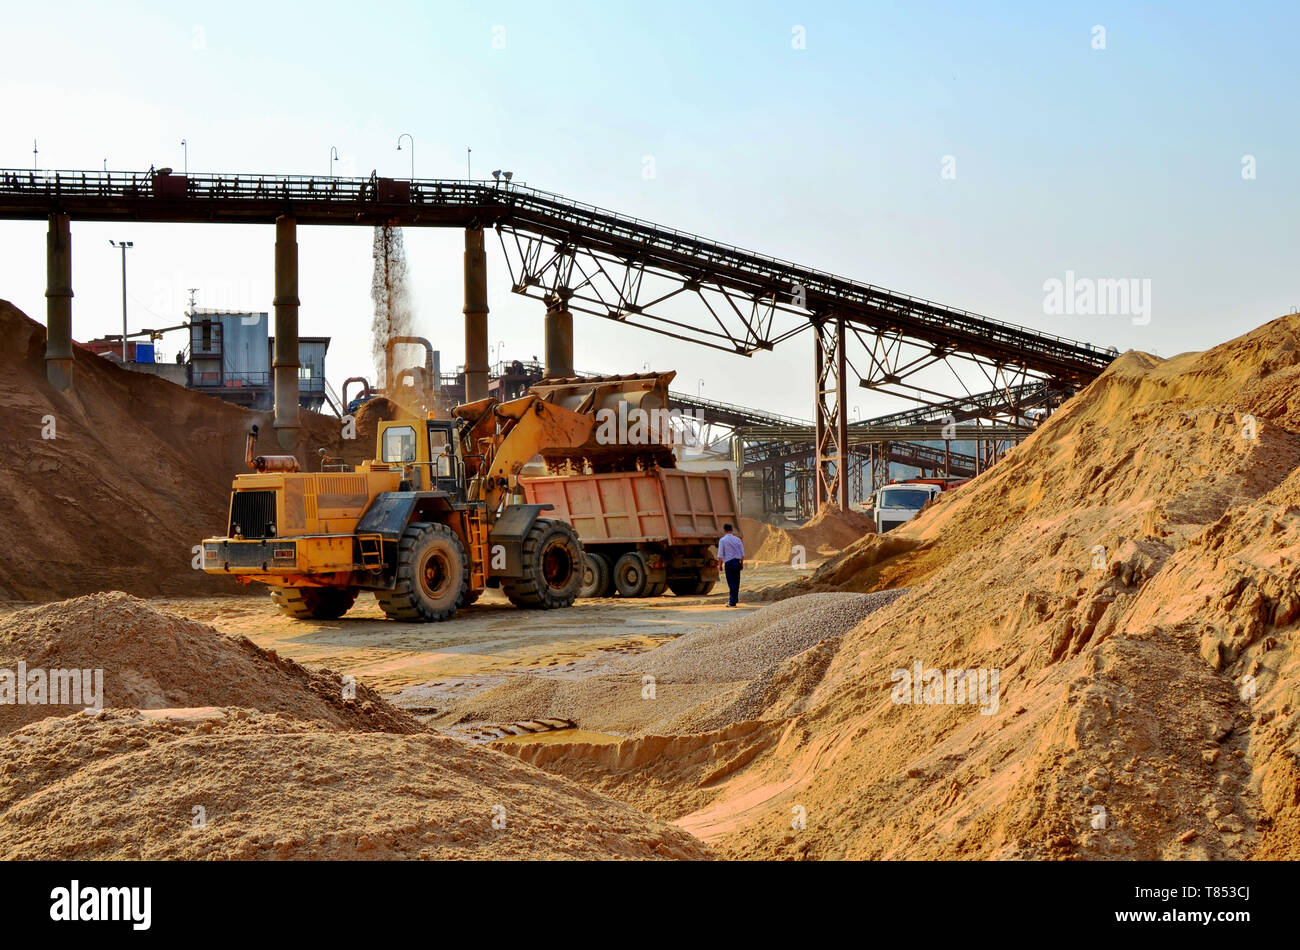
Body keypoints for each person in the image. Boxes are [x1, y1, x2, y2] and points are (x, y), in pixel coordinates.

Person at [716, 523, 745, 607]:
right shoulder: (737, 539)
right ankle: (734, 600)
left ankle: (732, 602)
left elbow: (720, 555)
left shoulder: (722, 540)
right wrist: (741, 564)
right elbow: (742, 554)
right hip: (737, 563)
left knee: (731, 583)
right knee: (736, 582)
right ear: (732, 530)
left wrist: (720, 565)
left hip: (729, 563)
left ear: (724, 531)